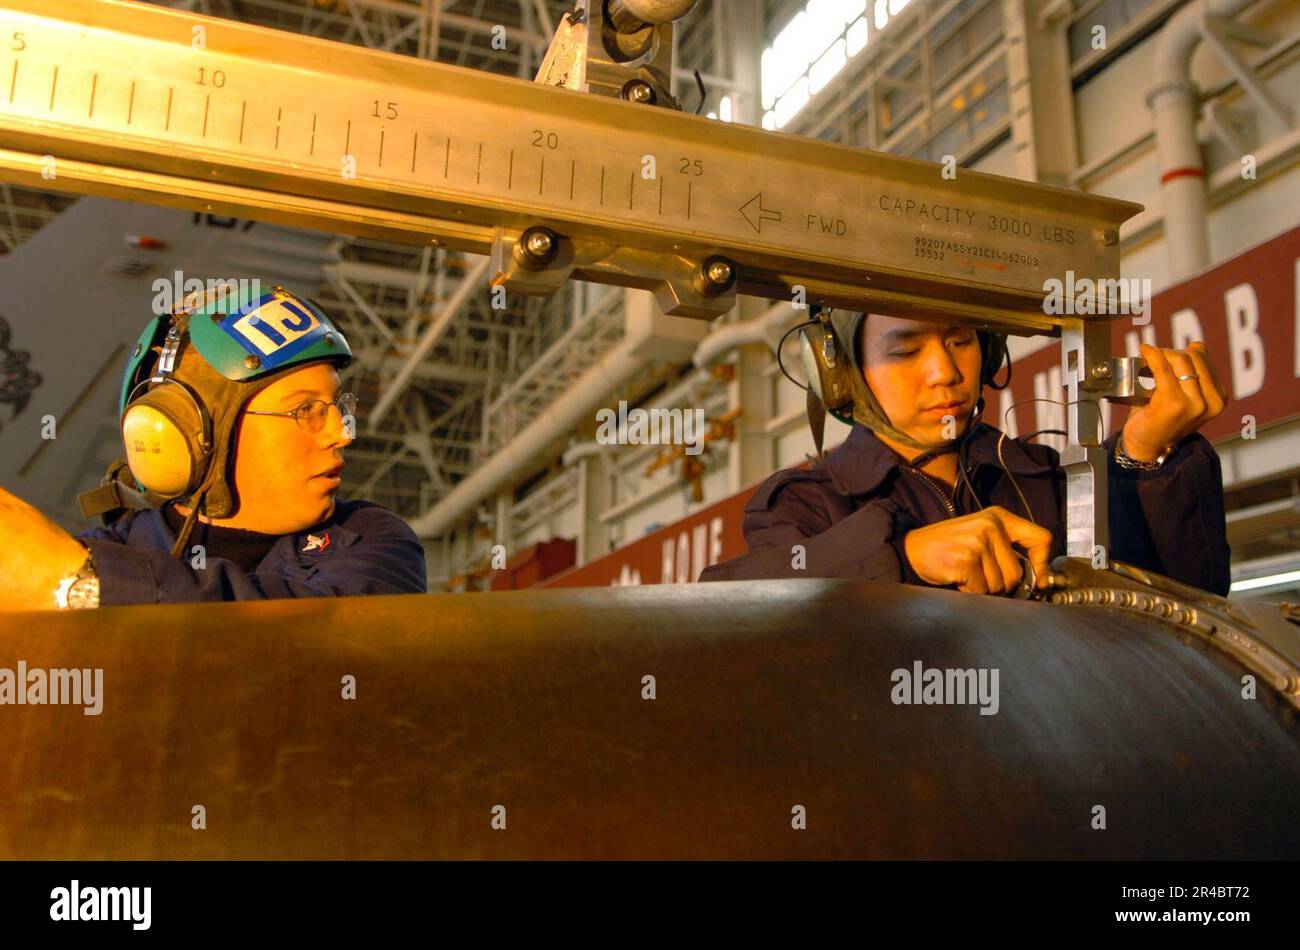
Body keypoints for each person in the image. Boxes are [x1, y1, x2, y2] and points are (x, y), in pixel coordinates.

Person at [699, 310, 1232, 596]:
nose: (945, 373)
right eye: (906, 351)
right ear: (843, 377)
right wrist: (901, 557)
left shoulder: (1046, 477)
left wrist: (1145, 458)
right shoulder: (807, 505)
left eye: (959, 341)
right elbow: (733, 608)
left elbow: (1187, 602)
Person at [0, 284, 427, 611]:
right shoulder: (106, 550)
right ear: (190, 435)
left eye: (336, 406)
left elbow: (319, 636)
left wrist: (87, 585)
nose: (342, 432)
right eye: (306, 410)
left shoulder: (372, 540)